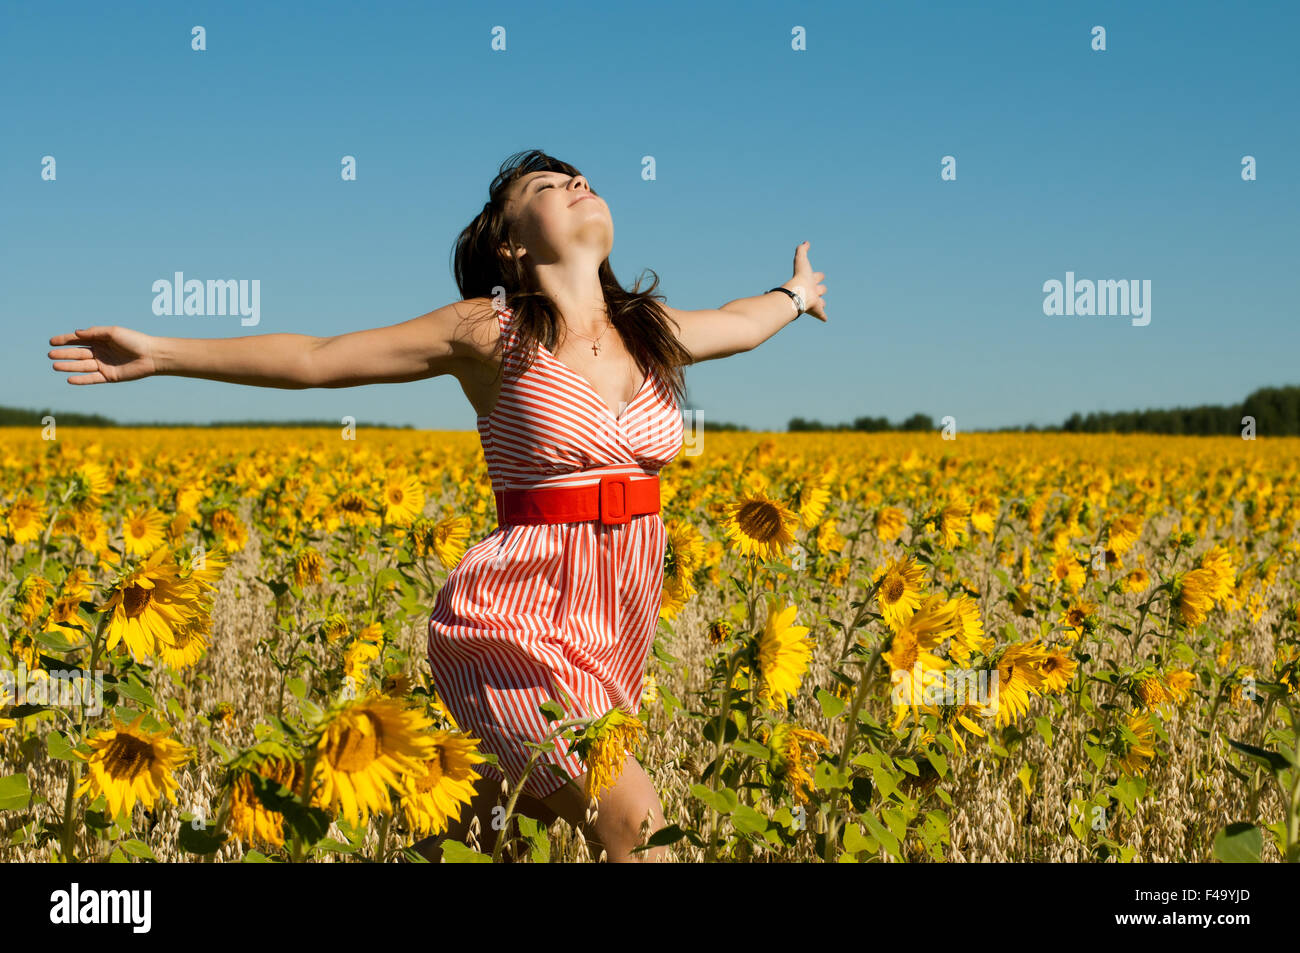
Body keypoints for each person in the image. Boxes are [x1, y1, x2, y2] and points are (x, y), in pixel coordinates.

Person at [46, 148, 828, 863]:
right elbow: (319, 359)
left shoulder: (650, 332)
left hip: (610, 627)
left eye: (582, 178)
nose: (579, 185)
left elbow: (739, 322)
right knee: (635, 824)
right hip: (515, 624)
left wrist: (793, 294)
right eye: (550, 187)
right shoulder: (491, 330)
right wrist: (164, 353)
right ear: (513, 245)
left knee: (479, 832)